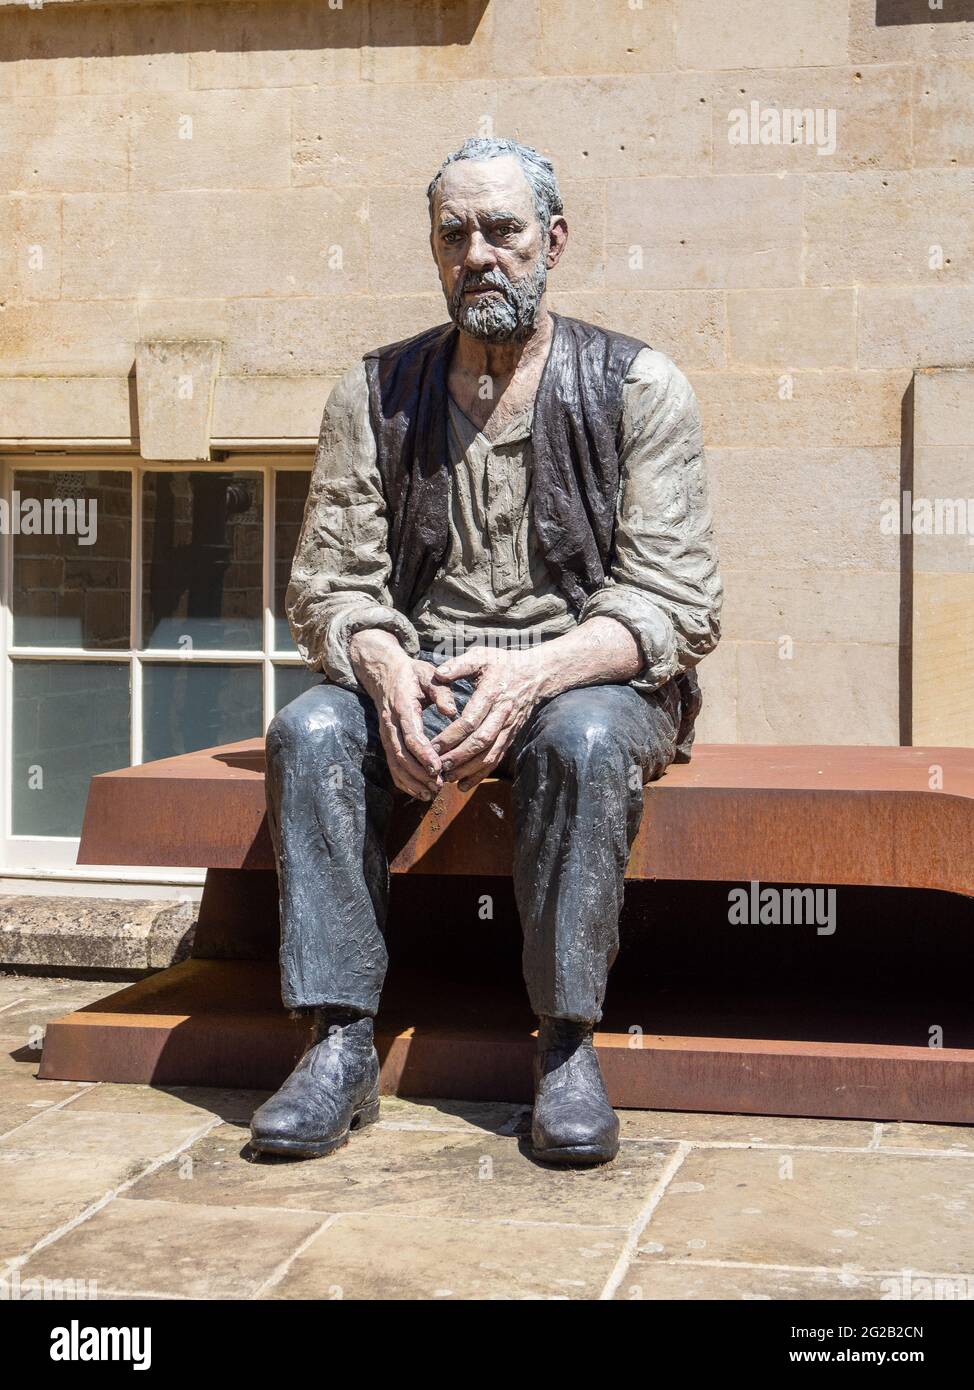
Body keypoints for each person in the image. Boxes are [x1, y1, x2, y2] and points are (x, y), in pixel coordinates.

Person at [250, 136, 722, 1166]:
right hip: (423, 670)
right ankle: (336, 1043)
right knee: (311, 727)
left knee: (586, 741)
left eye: (504, 230)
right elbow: (327, 585)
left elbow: (677, 602)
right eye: (454, 233)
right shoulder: (371, 395)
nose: (481, 254)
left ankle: (564, 1047)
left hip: (589, 671)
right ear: (433, 251)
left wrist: (536, 671)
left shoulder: (638, 385)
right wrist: (378, 661)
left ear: (551, 239)